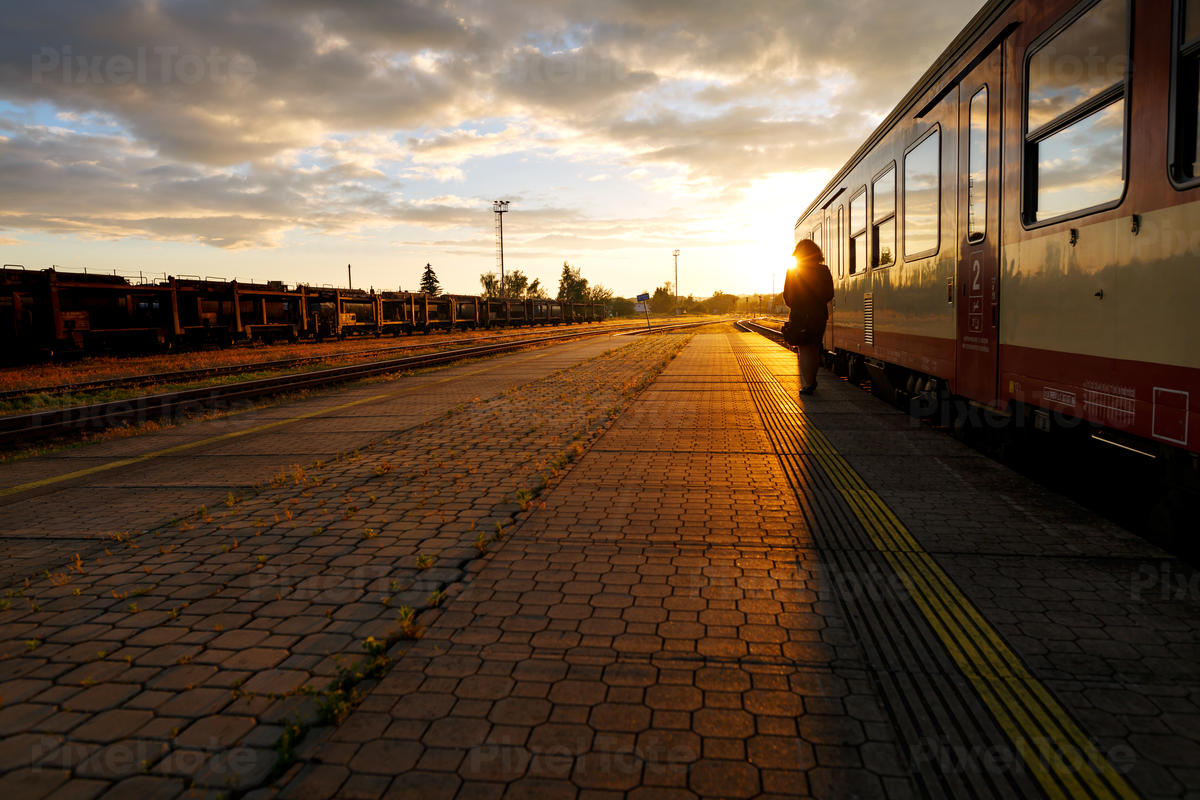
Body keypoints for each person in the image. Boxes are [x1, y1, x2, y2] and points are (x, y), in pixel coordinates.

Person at [783, 239, 834, 395]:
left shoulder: (793, 271)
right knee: (814, 348)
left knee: (804, 350)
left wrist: (798, 306)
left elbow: (787, 296)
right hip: (819, 315)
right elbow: (829, 294)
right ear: (816, 253)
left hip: (799, 316)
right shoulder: (824, 270)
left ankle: (809, 384)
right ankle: (812, 381)